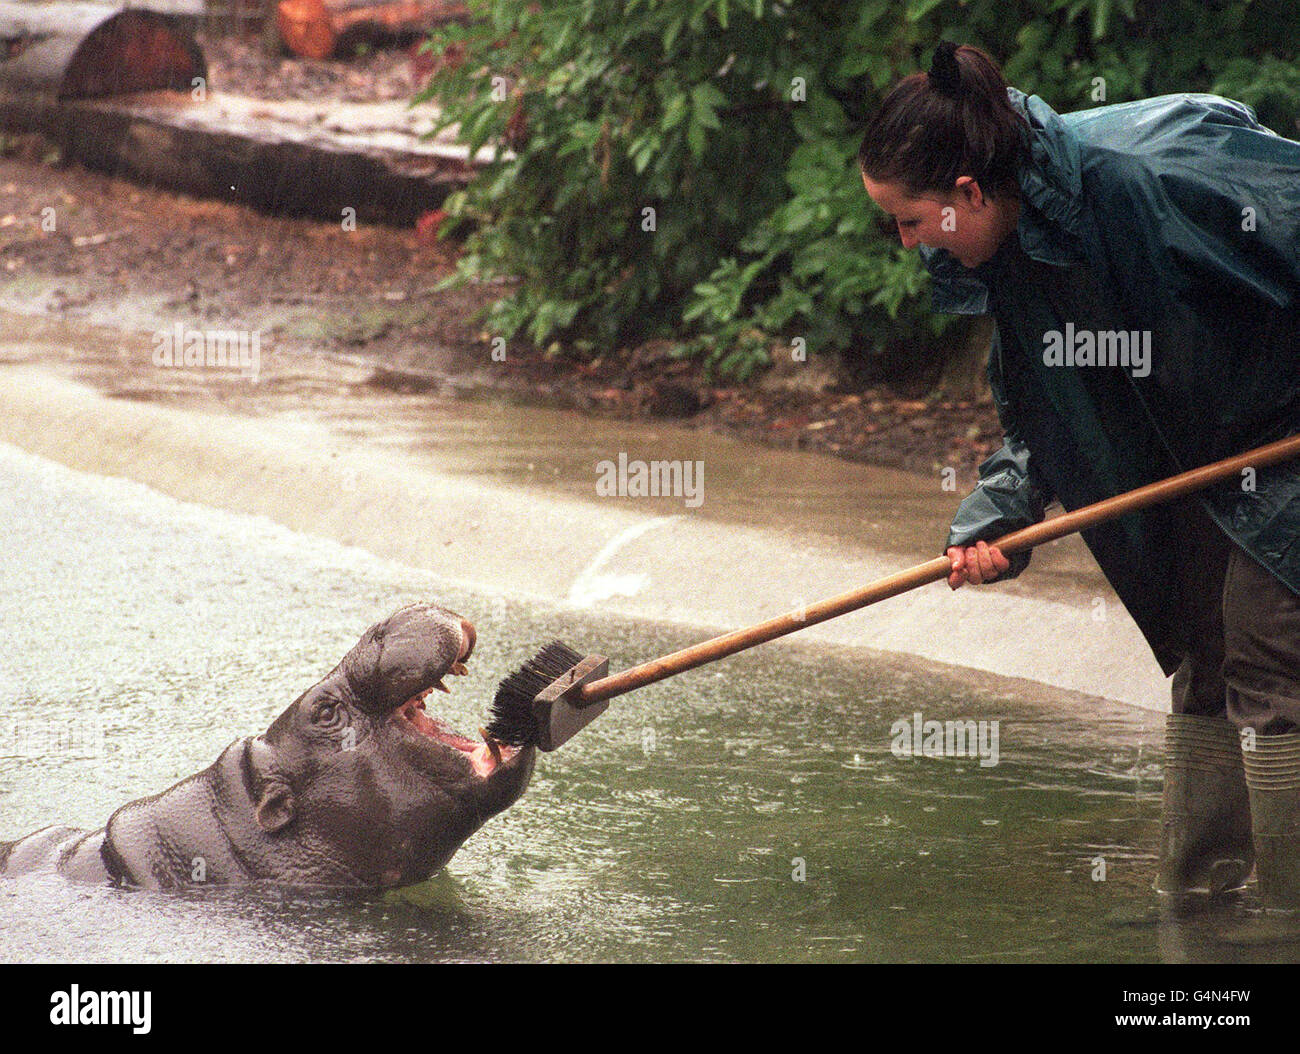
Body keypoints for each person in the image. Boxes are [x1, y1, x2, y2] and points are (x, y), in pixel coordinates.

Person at [857, 41, 1300, 909]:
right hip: (1209, 449)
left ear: (968, 193)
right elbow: (1048, 407)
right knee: (1202, 654)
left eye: (907, 220)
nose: (905, 243)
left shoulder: (1148, 178)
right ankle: (1205, 917)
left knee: (1267, 655)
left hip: (1283, 430)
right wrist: (998, 515)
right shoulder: (1012, 245)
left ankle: (1285, 925)